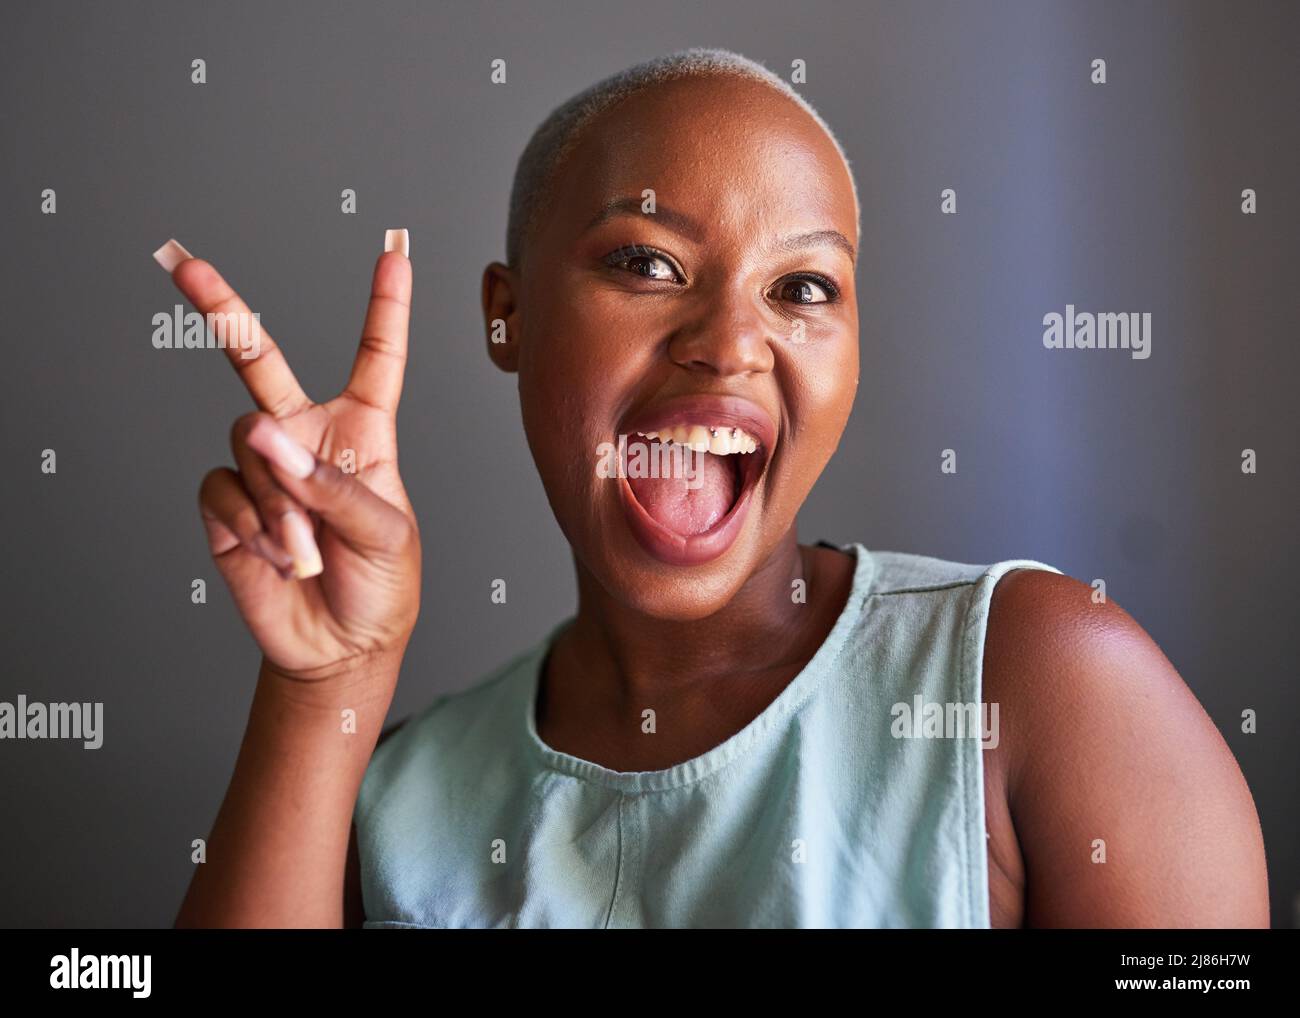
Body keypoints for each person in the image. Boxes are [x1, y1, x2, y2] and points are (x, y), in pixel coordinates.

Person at [167, 48, 1268, 928]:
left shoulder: (1042, 677)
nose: (732, 341)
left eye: (802, 286)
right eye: (646, 263)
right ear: (507, 313)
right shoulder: (402, 794)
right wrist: (325, 686)